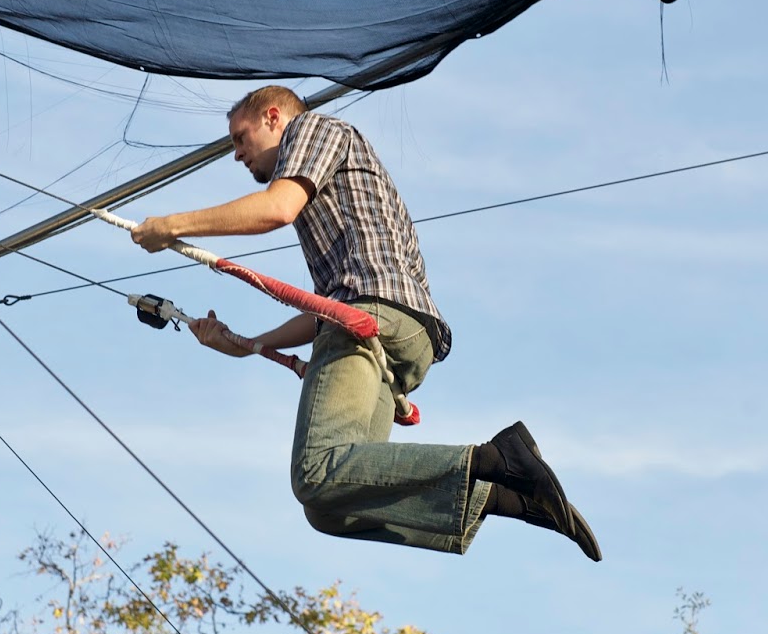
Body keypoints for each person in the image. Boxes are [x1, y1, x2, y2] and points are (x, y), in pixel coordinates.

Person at [131, 86, 598, 561]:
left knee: (315, 469)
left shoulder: (313, 130)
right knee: (330, 506)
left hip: (372, 320)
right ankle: (503, 496)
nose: (236, 154)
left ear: (273, 117)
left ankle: (499, 460)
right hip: (400, 331)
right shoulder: (346, 205)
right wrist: (250, 343)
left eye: (239, 138)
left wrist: (172, 225)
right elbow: (329, 308)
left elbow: (276, 210)